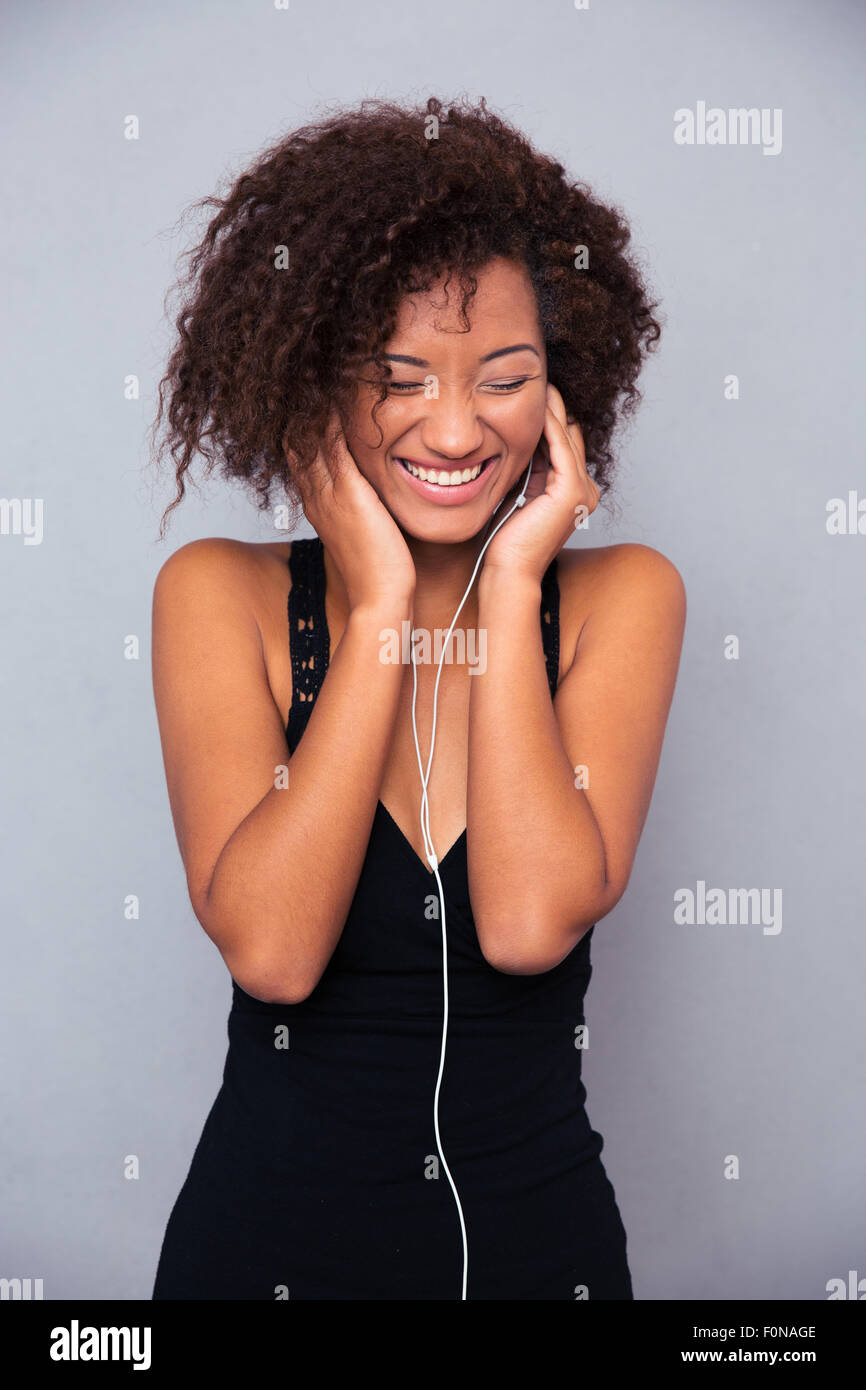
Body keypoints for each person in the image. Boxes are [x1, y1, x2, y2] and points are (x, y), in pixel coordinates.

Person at [149, 94, 685, 1300]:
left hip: (535, 1254)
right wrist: (382, 608)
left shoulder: (621, 600)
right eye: (396, 378)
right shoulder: (215, 596)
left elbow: (526, 923)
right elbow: (275, 956)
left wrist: (506, 588)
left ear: (559, 390)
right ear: (310, 382)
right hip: (262, 1252)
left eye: (502, 376)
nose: (454, 425)